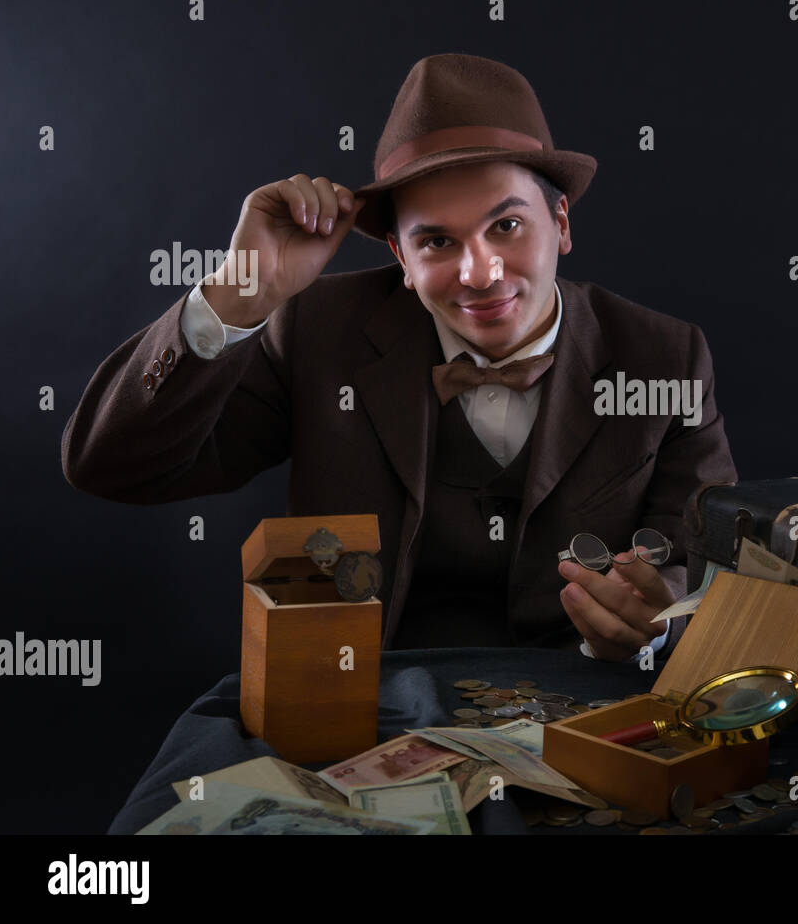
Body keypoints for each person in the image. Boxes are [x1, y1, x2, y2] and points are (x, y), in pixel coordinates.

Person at [60, 54, 737, 660]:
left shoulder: (663, 358)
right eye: (437, 242)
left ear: (560, 224)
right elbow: (112, 466)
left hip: (583, 712)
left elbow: (714, 572)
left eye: (506, 226)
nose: (480, 272)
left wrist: (662, 620)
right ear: (400, 259)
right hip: (361, 709)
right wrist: (242, 292)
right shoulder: (318, 331)